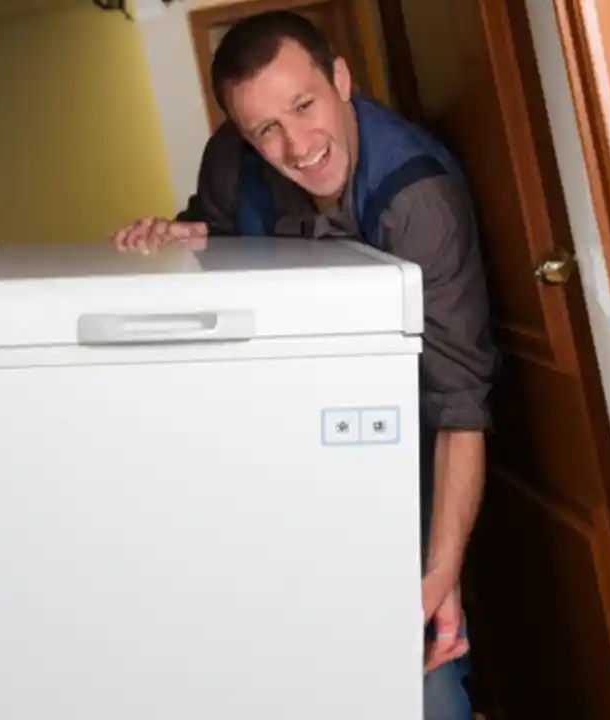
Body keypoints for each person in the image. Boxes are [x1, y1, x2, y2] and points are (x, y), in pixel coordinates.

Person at [112, 11, 499, 719]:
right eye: (265, 129)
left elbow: (458, 408)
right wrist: (178, 238)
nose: (296, 145)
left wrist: (441, 575)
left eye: (304, 105)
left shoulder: (418, 201)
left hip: (401, 447)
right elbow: (215, 240)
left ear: (340, 80)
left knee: (419, 677)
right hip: (278, 446)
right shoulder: (230, 160)